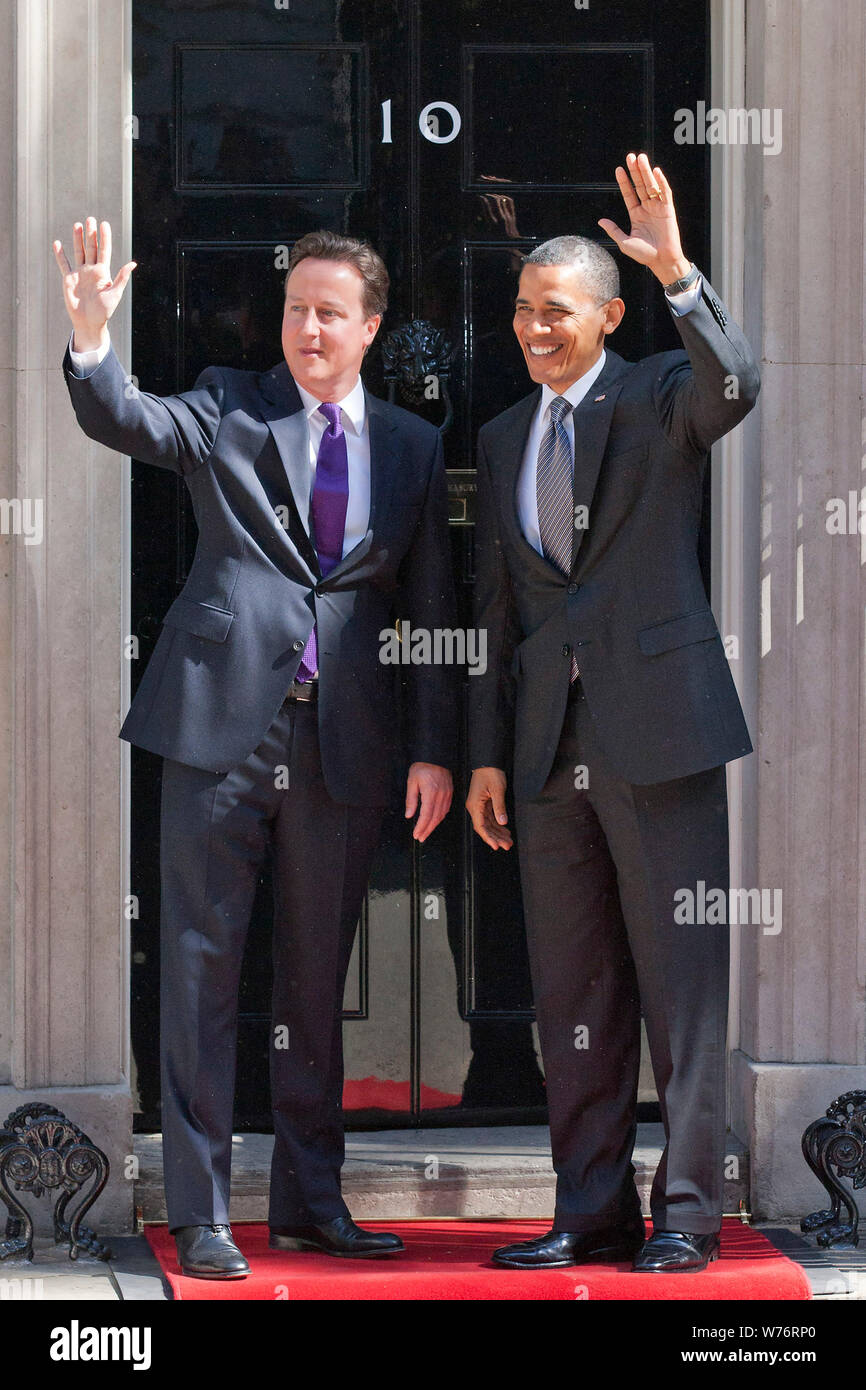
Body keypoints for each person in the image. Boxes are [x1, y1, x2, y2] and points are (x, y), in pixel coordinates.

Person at [54, 222, 456, 1278]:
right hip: (217, 731)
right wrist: (92, 338)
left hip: (345, 740)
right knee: (199, 971)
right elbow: (123, 419)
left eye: (329, 312)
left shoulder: (411, 447)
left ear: (369, 327)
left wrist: (433, 750)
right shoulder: (229, 403)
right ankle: (199, 1212)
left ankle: (308, 1204)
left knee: (315, 980)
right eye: (294, 309)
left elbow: (428, 605)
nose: (307, 328)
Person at [466, 152, 760, 1274]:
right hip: (545, 754)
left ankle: (685, 1216)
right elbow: (496, 612)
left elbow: (733, 384)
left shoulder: (654, 396)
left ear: (608, 313)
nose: (532, 329)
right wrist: (487, 758)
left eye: (555, 311)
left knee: (681, 988)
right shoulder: (500, 437)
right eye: (520, 311)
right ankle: (587, 1209)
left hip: (661, 731)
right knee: (570, 994)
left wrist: (681, 271)